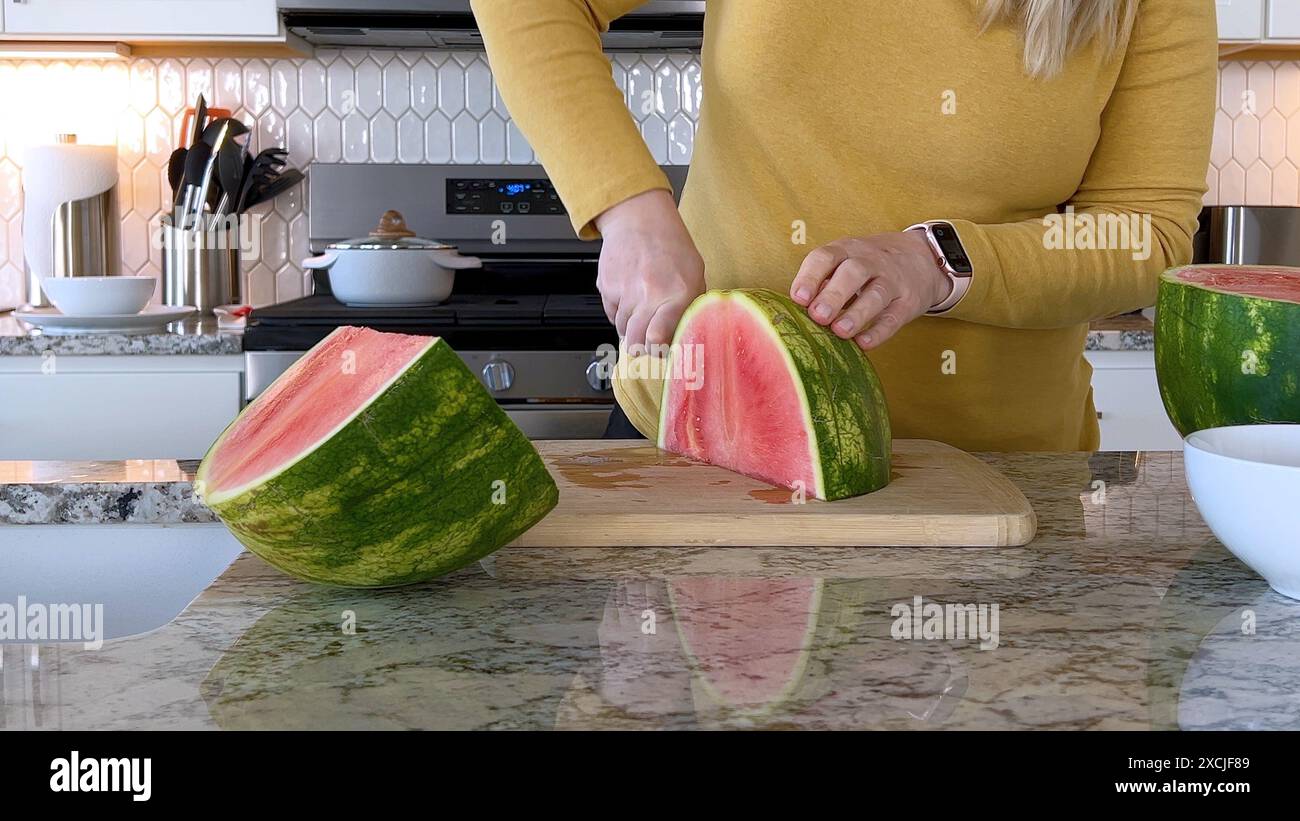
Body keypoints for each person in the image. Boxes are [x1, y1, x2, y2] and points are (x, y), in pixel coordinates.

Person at [472, 0, 1217, 450]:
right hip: (702, 434)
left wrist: (940, 261)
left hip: (994, 475)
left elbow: (1143, 232)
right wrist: (631, 209)